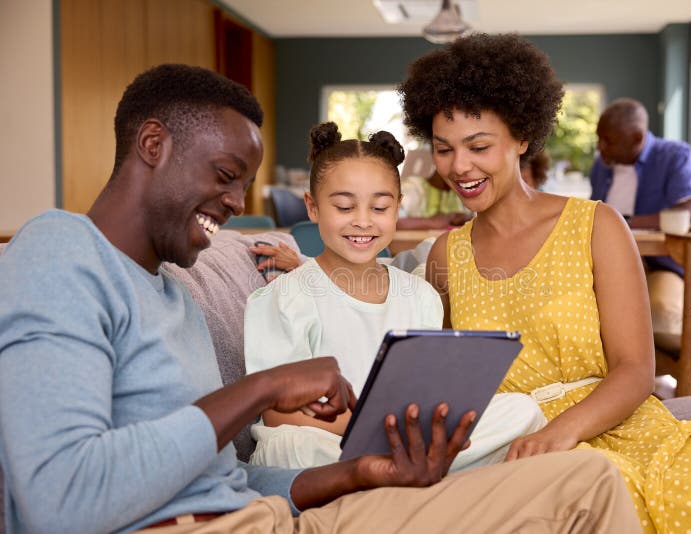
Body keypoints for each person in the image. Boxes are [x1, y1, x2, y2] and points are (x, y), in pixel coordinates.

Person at [0, 64, 641, 533]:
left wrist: (359, 475)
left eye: (243, 186)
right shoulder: (60, 250)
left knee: (588, 478)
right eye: (226, 178)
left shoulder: (173, 294)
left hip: (278, 514)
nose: (235, 205)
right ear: (152, 145)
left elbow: (230, 478)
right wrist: (262, 389)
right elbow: (57, 501)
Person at [399, 33, 691, 533]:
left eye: (479, 146)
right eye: (443, 149)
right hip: (513, 448)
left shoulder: (596, 225)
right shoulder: (446, 255)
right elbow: (442, 375)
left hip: (616, 431)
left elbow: (635, 370)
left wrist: (559, 433)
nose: (460, 166)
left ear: (522, 137)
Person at [244, 121, 543, 471]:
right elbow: (279, 414)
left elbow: (429, 390)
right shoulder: (285, 297)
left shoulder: (419, 295)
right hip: (325, 443)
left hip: (407, 438)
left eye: (380, 208)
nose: (362, 221)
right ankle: (406, 469)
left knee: (524, 411)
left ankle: (407, 469)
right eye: (344, 207)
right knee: (293, 449)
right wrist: (379, 434)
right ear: (312, 207)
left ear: (398, 208)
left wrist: (416, 429)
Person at [589, 98, 691, 334]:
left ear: (637, 138)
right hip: (609, 266)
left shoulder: (675, 156)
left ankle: (655, 370)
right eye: (599, 139)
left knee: (660, 313)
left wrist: (622, 222)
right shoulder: (601, 166)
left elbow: (690, 214)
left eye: (609, 141)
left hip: (664, 265)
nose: (600, 147)